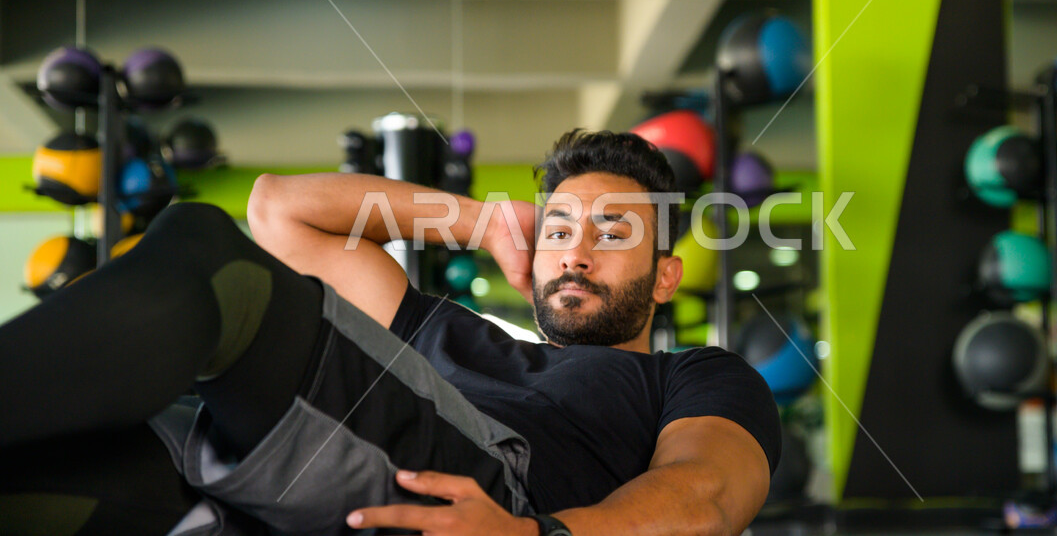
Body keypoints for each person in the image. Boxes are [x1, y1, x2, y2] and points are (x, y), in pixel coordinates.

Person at [0, 130, 781, 536]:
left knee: (211, 259)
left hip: (484, 498)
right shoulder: (437, 329)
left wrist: (534, 535)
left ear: (666, 276)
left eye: (612, 233)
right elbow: (279, 209)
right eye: (559, 229)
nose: (574, 249)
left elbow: (706, 498)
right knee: (54, 481)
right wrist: (476, 220)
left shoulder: (690, 377)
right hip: (291, 495)